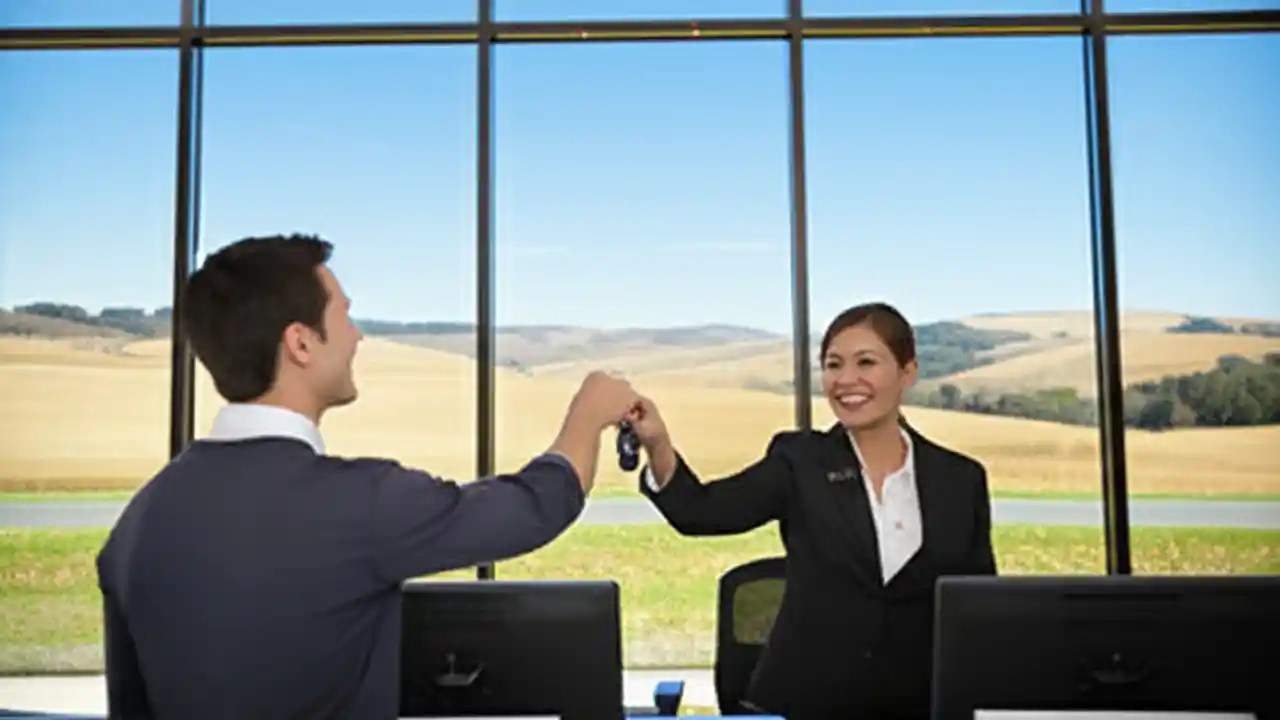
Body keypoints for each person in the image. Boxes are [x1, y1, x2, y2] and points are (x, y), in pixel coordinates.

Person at [95, 234, 639, 719]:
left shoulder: (140, 522)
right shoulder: (360, 504)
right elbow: (535, 508)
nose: (357, 337)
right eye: (345, 317)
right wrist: (588, 416)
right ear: (302, 343)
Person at [630, 301, 997, 720]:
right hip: (806, 704)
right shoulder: (799, 462)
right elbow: (699, 512)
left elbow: (977, 609)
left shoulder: (960, 480)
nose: (845, 380)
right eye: (833, 365)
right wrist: (657, 443)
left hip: (918, 705)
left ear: (907, 373)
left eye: (866, 363)